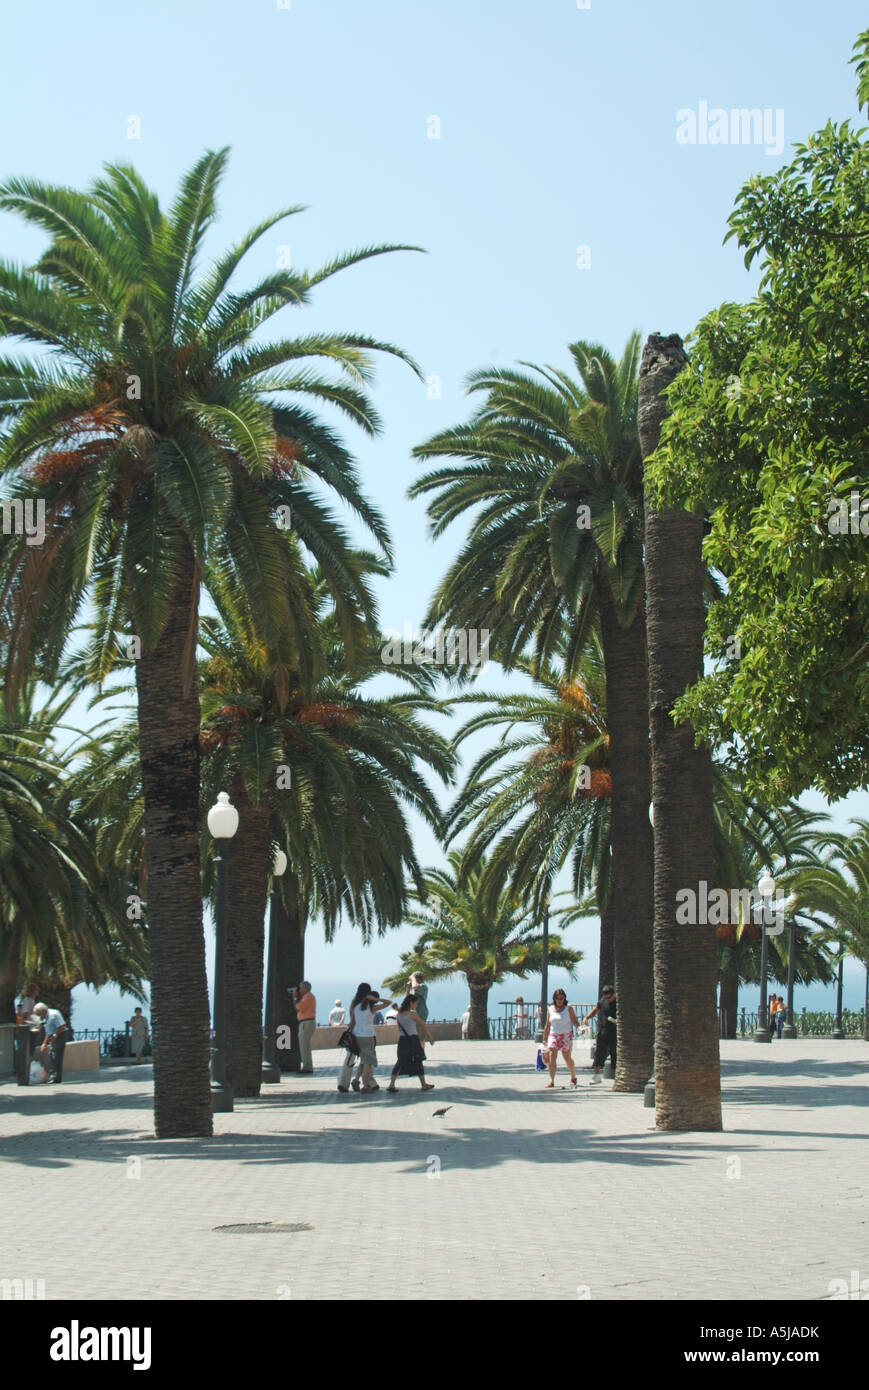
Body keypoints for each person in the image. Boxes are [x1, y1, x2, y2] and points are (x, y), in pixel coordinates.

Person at [337, 983, 393, 1093]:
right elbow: (388, 1003)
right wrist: (375, 998)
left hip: (356, 1035)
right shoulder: (370, 1006)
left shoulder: (355, 1005)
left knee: (355, 1060)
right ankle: (367, 1084)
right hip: (367, 1036)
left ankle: (348, 1082)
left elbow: (352, 1022)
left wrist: (350, 1033)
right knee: (367, 1061)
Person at [387, 994, 435, 1092]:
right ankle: (423, 1085)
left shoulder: (399, 1015)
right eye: (416, 1003)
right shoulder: (412, 1014)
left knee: (400, 1061)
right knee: (418, 1060)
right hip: (413, 1039)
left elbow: (399, 1029)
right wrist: (430, 1037)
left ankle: (391, 1084)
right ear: (411, 1003)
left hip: (403, 1040)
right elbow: (423, 1025)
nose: (416, 1005)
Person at [541, 989, 578, 1087]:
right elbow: (547, 1025)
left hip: (565, 1035)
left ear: (564, 998)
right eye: (558, 998)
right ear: (554, 999)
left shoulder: (568, 1009)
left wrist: (580, 1028)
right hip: (553, 1035)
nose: (560, 1000)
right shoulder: (550, 1009)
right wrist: (544, 1038)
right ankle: (552, 1080)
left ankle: (573, 1077)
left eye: (562, 998)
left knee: (567, 1058)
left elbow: (574, 1021)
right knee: (552, 1056)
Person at [583, 987, 617, 1085]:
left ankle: (616, 1077)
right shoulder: (602, 1001)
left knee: (614, 1053)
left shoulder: (618, 1003)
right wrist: (587, 1017)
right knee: (598, 1053)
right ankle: (597, 1076)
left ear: (614, 994)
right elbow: (596, 1009)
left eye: (609, 997)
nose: (607, 1000)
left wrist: (616, 1021)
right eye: (605, 997)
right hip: (603, 1030)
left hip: (614, 1032)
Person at [33, 1002, 69, 1083]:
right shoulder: (45, 1017)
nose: (39, 1016)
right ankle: (53, 1076)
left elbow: (62, 1025)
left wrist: (56, 1035)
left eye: (39, 1014)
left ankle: (56, 1077)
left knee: (57, 1056)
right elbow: (48, 1032)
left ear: (42, 1011)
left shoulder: (54, 1014)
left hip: (60, 1035)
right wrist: (44, 1043)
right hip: (53, 1036)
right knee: (52, 1055)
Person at [14, 990, 40, 1087]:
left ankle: (25, 1072)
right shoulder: (27, 1001)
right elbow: (25, 1015)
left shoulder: (30, 1001)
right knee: (26, 1051)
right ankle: (22, 1072)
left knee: (29, 1050)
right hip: (26, 1030)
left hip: (30, 1029)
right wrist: (25, 1024)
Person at [293, 981, 316, 1073]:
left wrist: (294, 997)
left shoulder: (308, 997)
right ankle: (307, 1066)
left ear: (305, 988)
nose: (299, 990)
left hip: (306, 1023)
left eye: (300, 988)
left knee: (304, 1046)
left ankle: (307, 1067)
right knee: (304, 1046)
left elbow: (298, 1008)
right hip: (306, 1023)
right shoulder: (307, 997)